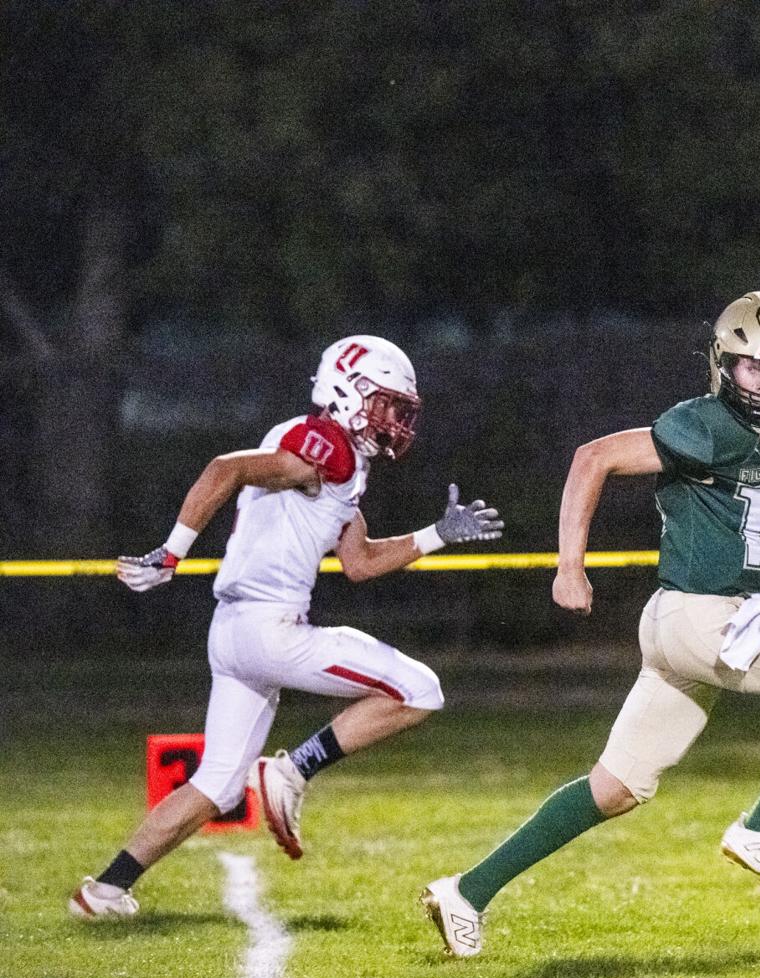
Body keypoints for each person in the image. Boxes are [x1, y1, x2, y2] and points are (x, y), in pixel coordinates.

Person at [421, 291, 760, 958]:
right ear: (724, 363)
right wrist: (569, 567)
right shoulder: (701, 425)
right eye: (750, 367)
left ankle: (465, 892)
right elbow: (594, 458)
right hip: (702, 615)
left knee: (614, 789)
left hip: (703, 627)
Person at [69, 335, 504, 920]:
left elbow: (360, 562)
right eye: (385, 403)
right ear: (349, 390)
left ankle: (104, 890)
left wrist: (436, 535)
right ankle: (294, 767)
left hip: (232, 633)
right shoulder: (326, 445)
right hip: (270, 630)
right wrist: (170, 554)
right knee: (420, 689)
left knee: (220, 784)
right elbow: (225, 468)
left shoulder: (333, 458)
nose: (395, 420)